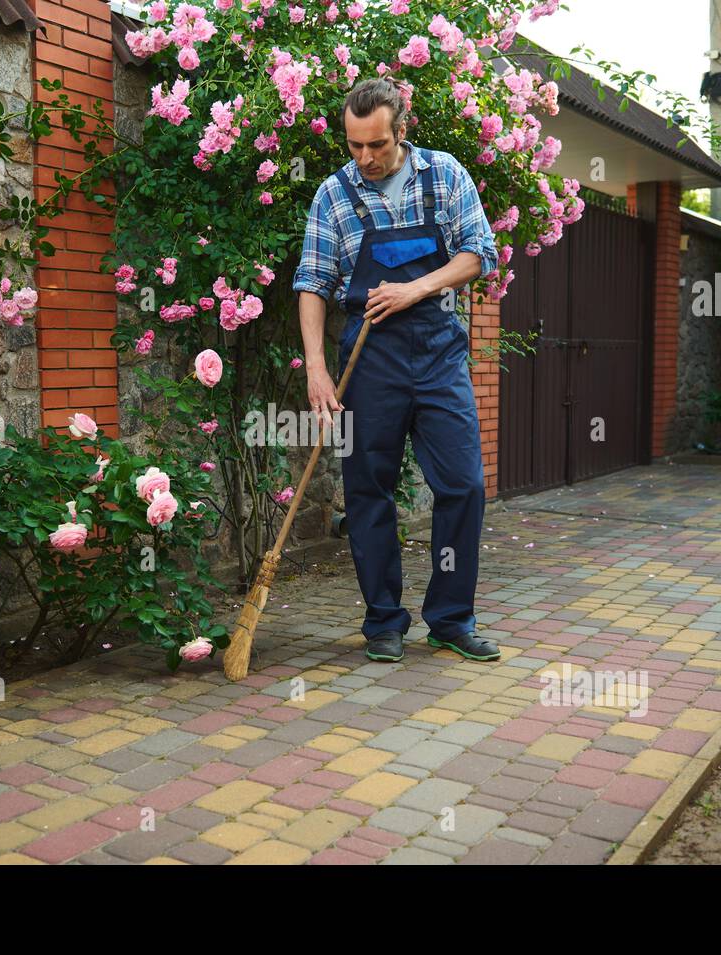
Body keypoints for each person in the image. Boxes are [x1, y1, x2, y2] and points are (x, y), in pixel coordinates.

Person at [293, 78, 500, 664]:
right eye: (354, 146)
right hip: (369, 359)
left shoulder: (445, 175)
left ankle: (451, 619)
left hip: (438, 354)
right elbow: (311, 284)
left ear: (401, 131)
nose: (364, 158)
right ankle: (383, 618)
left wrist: (417, 288)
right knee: (367, 490)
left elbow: (477, 252)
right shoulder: (334, 196)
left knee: (463, 485)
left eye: (376, 145)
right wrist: (316, 368)